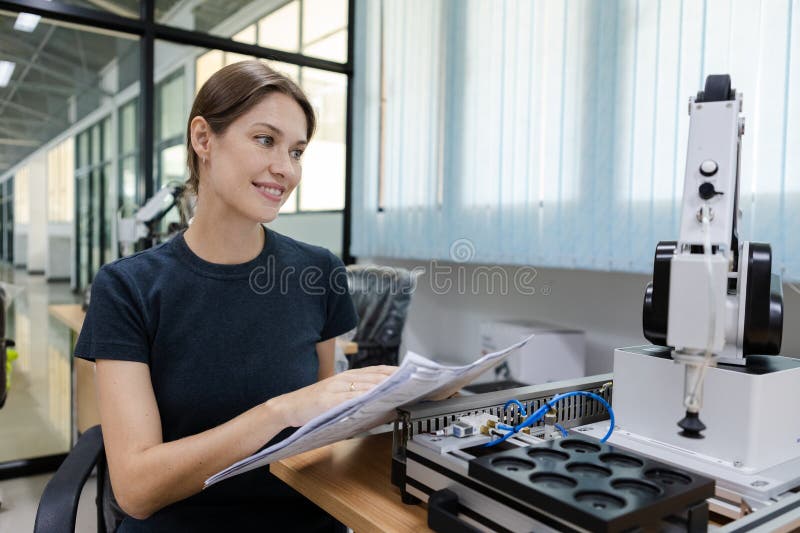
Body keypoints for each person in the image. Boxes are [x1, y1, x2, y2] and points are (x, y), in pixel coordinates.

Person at [74, 60, 395, 532]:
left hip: (303, 516)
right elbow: (137, 491)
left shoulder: (318, 270)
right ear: (203, 139)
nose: (285, 169)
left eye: (298, 151)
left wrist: (397, 403)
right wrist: (278, 412)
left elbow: (323, 432)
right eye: (265, 140)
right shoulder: (128, 287)